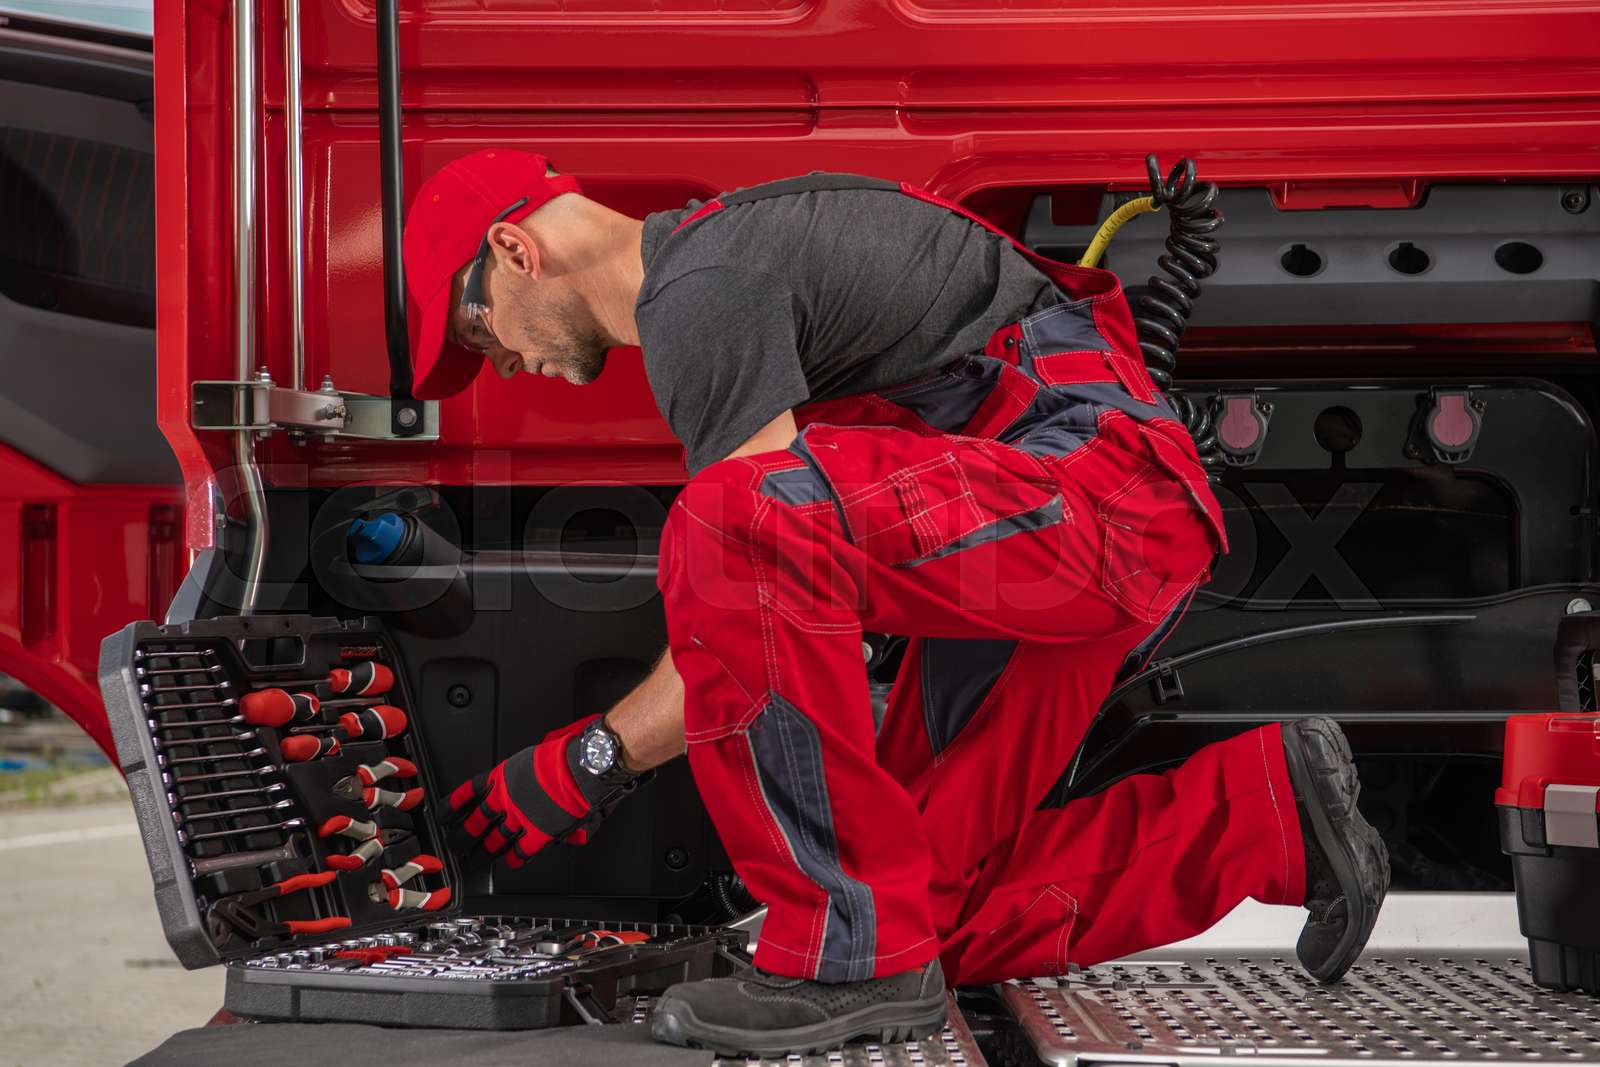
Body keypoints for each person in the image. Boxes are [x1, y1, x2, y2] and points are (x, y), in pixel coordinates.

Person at [402, 149, 1391, 1058]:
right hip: (1053, 539)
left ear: (513, 249)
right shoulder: (718, 270)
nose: (493, 358)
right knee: (920, 910)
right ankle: (1264, 815)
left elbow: (748, 558)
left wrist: (587, 760)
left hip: (1096, 505)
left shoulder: (701, 287)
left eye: (472, 327)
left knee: (729, 521)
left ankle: (842, 957)